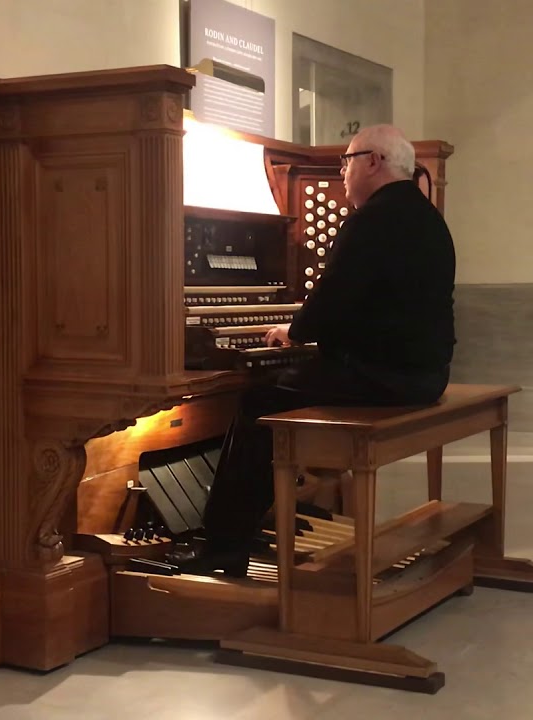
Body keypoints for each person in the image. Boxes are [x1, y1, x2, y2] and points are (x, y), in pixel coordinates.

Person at [167, 125, 457, 576]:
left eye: (347, 161)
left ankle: (224, 546)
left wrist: (295, 330)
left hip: (382, 376)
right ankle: (251, 520)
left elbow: (331, 305)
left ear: (373, 162)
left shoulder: (372, 219)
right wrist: (303, 331)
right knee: (277, 385)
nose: (343, 172)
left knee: (258, 403)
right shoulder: (427, 217)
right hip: (421, 371)